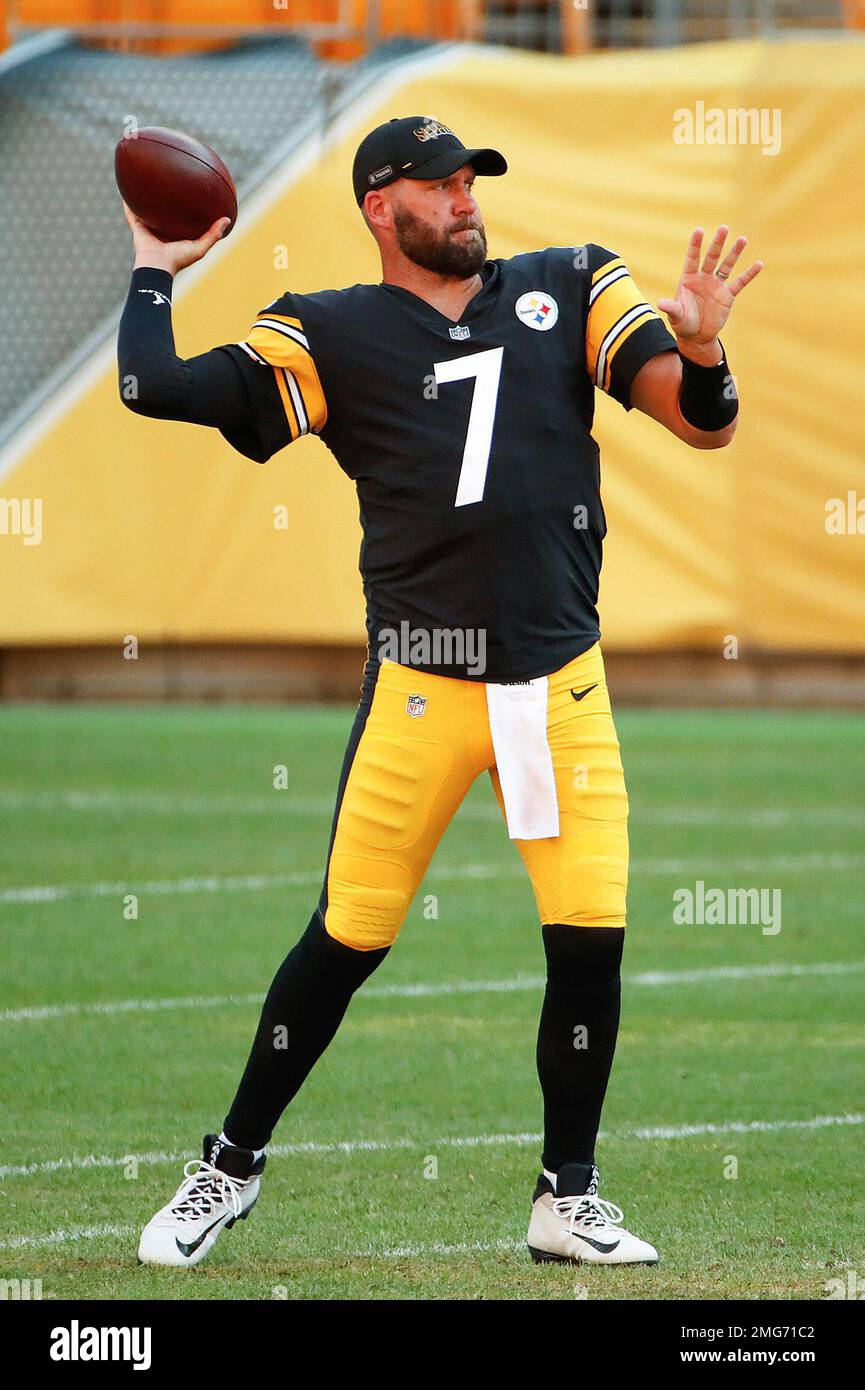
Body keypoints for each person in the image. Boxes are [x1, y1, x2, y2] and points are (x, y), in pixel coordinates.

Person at [118, 116, 762, 1269]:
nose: (465, 197)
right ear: (381, 207)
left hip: (557, 686)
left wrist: (706, 351)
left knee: (588, 943)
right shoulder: (330, 327)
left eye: (472, 180)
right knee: (346, 938)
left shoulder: (567, 285)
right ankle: (227, 1166)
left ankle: (566, 1198)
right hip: (421, 689)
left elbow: (698, 421)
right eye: (440, 183)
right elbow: (151, 384)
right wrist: (155, 270)